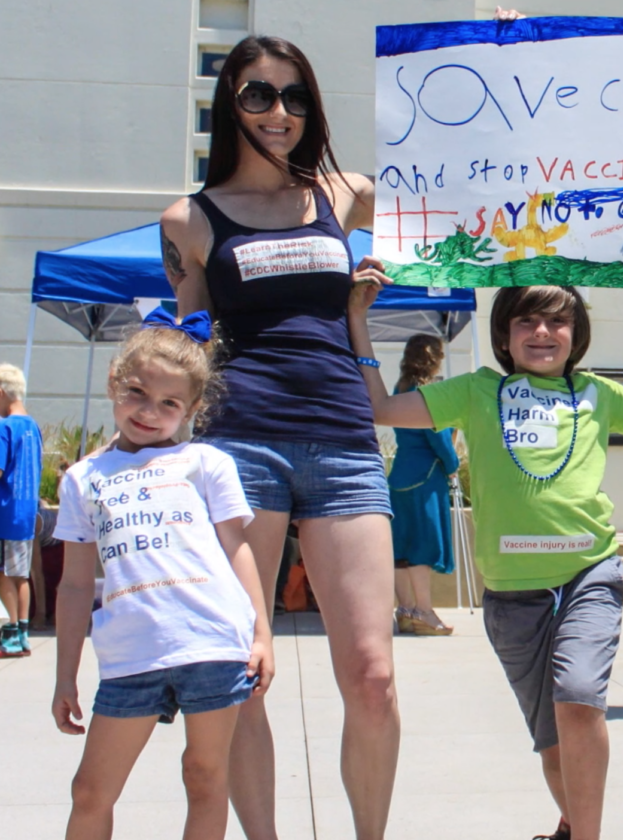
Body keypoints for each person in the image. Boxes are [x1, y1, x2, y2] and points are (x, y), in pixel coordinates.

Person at [348, 271, 623, 840]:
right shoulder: (475, 390)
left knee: (581, 700)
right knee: (554, 745)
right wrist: (358, 321)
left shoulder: (597, 392)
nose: (543, 331)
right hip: (513, 596)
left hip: (590, 575)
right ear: (505, 335)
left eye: (558, 320)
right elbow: (383, 408)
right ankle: (572, 824)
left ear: (577, 333)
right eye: (527, 320)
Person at [157, 36, 400, 839]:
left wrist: (502, 52)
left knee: (372, 675)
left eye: (296, 98)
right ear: (230, 100)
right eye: (260, 95)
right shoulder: (191, 218)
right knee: (242, 671)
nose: (280, 113)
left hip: (343, 444)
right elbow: (188, 343)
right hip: (238, 448)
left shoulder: (343, 192)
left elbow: (463, 175)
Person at [51, 318, 274, 840]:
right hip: (130, 654)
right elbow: (76, 586)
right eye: (137, 393)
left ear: (192, 410)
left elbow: (237, 551)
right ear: (114, 383)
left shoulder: (206, 462)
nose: (150, 412)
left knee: (204, 777)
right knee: (90, 791)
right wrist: (65, 675)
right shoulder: (83, 480)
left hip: (213, 643)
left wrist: (261, 633)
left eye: (170, 403)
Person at [388, 334, 459, 637]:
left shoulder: (399, 389)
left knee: (401, 547)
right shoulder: (429, 392)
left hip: (399, 475)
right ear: (433, 359)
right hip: (426, 477)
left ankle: (404, 610)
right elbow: (439, 438)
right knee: (422, 546)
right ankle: (424, 612)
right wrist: (453, 466)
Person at [0, 363, 41, 657]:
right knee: (20, 575)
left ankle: (10, 634)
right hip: (26, 513)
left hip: (5, 512)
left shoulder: (5, 428)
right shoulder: (33, 426)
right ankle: (23, 631)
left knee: (3, 574)